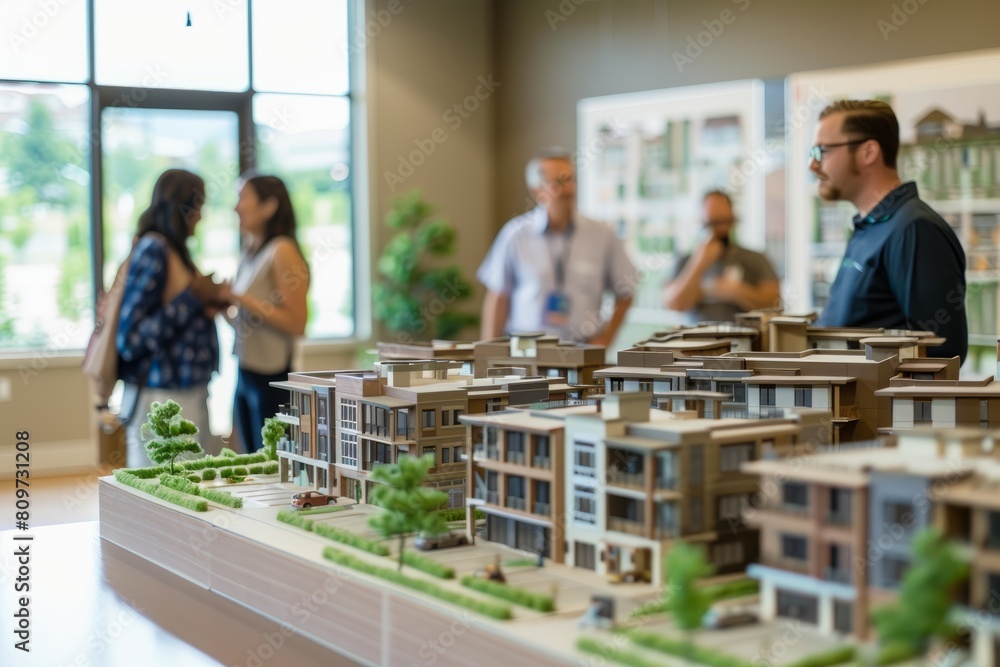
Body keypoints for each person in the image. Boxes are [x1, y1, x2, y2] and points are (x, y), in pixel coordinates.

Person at [810, 100, 968, 362]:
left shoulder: (914, 230)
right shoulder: (870, 226)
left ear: (869, 152)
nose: (813, 165)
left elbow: (941, 355)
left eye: (822, 151)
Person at [477, 148, 637, 345]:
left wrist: (606, 339)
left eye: (571, 180)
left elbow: (626, 292)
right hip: (526, 349)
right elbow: (498, 297)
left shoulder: (602, 234)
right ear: (537, 190)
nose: (569, 189)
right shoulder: (515, 235)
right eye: (559, 183)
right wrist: (487, 354)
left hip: (582, 348)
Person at [117, 169, 221, 466]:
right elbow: (131, 338)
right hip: (162, 395)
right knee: (166, 490)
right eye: (198, 207)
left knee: (183, 484)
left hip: (180, 391)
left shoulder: (172, 250)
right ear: (183, 207)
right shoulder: (155, 249)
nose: (200, 216)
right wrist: (192, 300)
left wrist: (203, 304)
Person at [219, 174, 309, 454]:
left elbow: (297, 322)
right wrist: (223, 306)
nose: (236, 207)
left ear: (269, 206)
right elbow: (249, 322)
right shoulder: (250, 252)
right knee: (250, 457)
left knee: (272, 461)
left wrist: (241, 298)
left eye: (243, 198)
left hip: (272, 376)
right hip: (246, 370)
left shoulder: (281, 250)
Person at [661, 190, 780, 321]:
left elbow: (774, 302)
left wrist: (735, 291)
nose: (721, 228)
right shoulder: (686, 261)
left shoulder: (755, 258)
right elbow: (674, 304)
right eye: (714, 222)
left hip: (746, 339)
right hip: (699, 339)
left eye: (726, 221)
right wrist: (700, 262)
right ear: (701, 221)